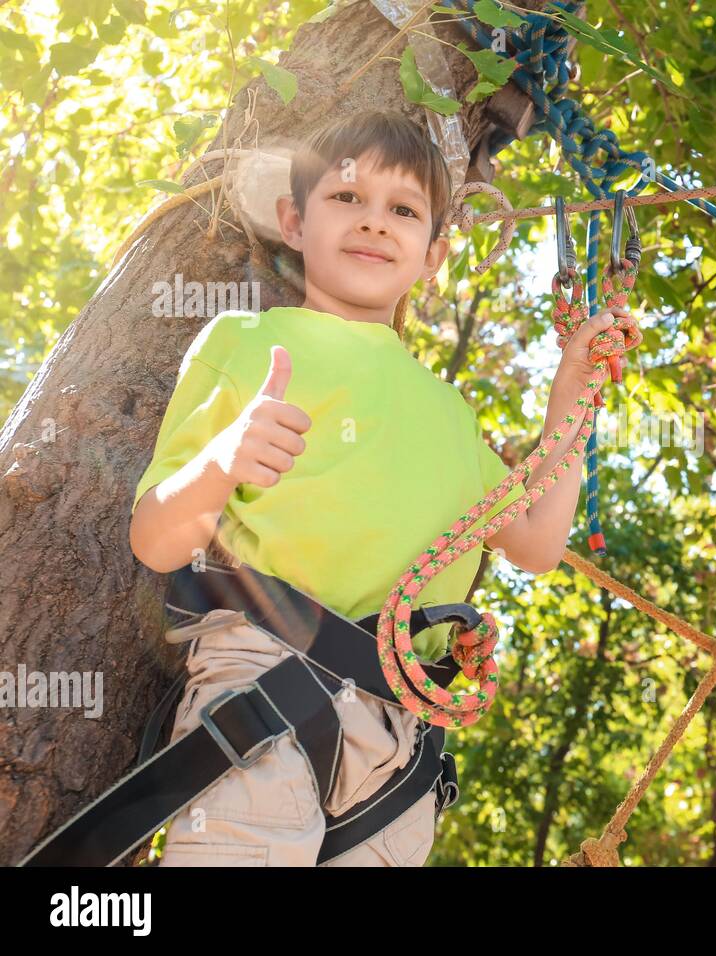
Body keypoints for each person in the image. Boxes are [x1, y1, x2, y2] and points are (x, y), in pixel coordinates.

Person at [128, 109, 628, 865]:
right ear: (294, 223)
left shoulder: (451, 415)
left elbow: (535, 543)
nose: (374, 224)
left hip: (399, 744)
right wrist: (223, 459)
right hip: (261, 684)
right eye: (347, 199)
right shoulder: (249, 341)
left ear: (434, 254)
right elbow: (155, 538)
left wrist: (572, 397)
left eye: (403, 211)